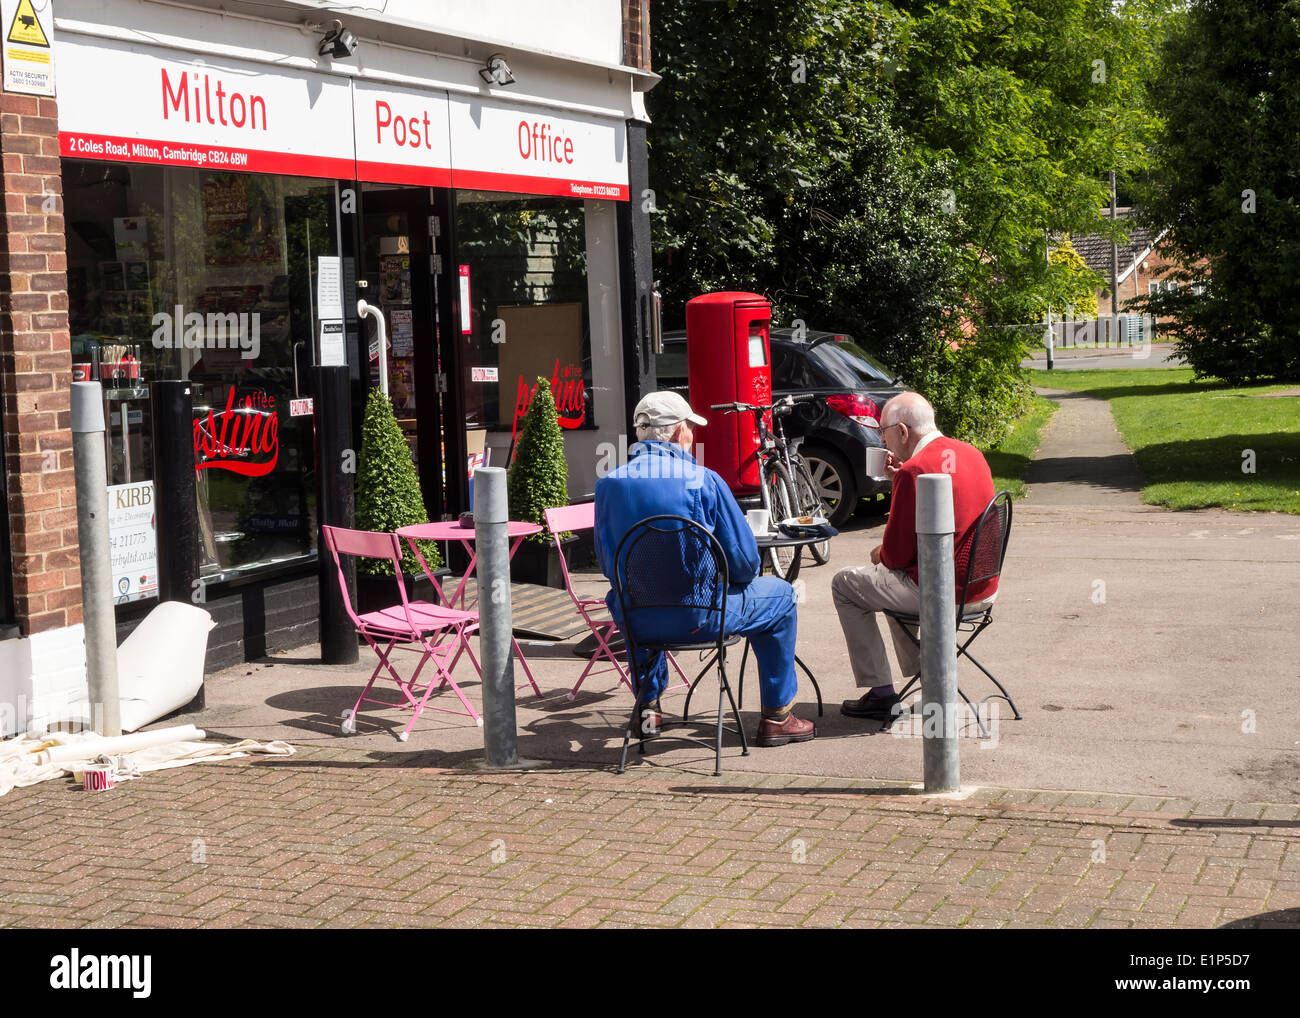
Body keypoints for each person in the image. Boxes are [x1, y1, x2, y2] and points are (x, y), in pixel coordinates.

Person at [594, 391, 815, 747]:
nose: (692, 437)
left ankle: (648, 707)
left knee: (632, 595)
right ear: (679, 432)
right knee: (782, 596)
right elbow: (744, 564)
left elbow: (608, 564)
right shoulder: (704, 480)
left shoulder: (608, 485)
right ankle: (777, 716)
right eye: (689, 430)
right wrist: (732, 581)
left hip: (637, 620)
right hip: (702, 617)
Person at [834, 391, 998, 720]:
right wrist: (901, 481)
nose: (883, 440)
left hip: (943, 595)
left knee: (847, 584)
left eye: (883, 433)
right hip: (983, 586)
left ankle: (883, 692)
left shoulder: (916, 470)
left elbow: (893, 556)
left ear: (904, 432)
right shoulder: (970, 453)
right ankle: (928, 676)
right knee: (885, 584)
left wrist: (878, 551)